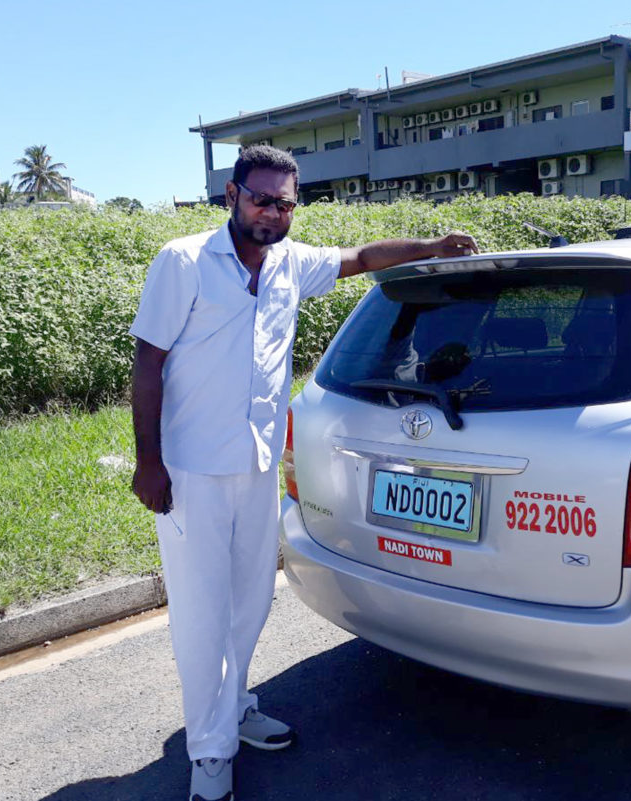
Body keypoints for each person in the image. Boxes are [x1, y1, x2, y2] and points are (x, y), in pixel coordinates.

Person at [129, 145, 479, 801]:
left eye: (286, 202)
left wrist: (430, 244)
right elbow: (148, 362)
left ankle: (233, 707)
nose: (273, 211)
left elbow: (360, 259)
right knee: (202, 616)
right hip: (192, 469)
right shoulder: (183, 262)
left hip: (258, 463)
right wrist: (148, 461)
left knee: (250, 599)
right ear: (232, 195)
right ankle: (209, 753)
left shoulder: (292, 263)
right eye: (261, 198)